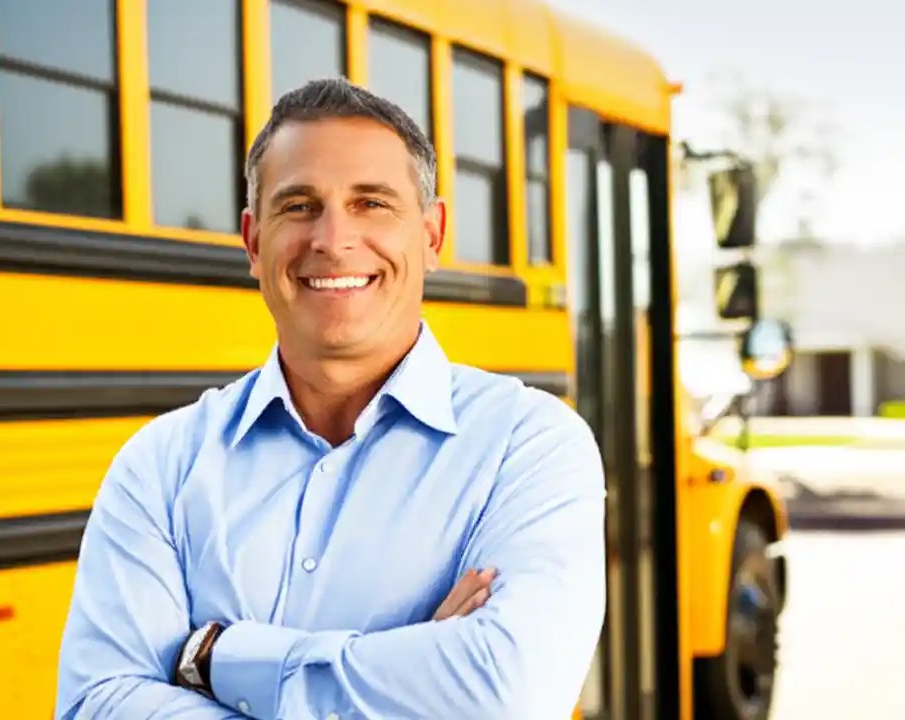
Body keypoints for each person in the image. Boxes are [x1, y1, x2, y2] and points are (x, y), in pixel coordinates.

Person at [54, 77, 606, 719]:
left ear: (432, 234)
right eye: (298, 205)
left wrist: (218, 661)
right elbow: (96, 705)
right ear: (253, 242)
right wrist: (416, 669)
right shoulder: (161, 465)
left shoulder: (528, 447)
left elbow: (503, 693)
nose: (333, 239)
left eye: (372, 203)